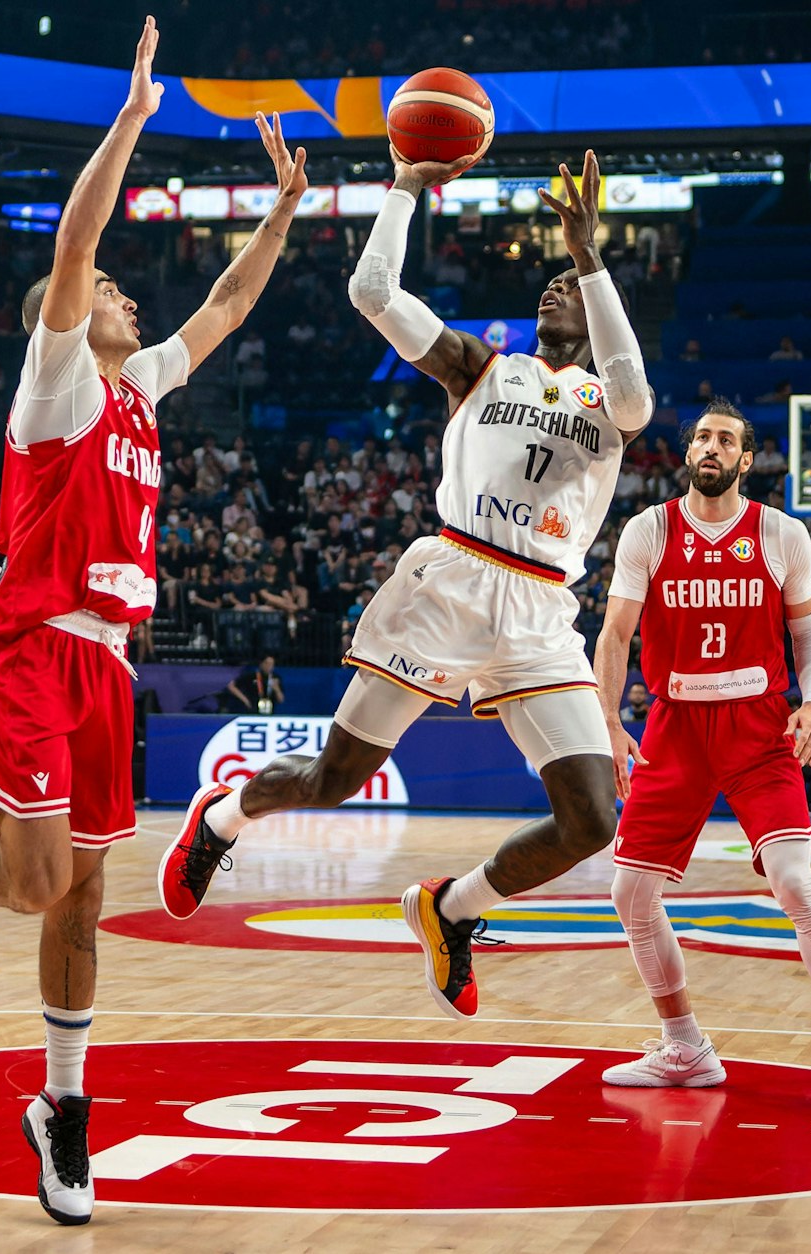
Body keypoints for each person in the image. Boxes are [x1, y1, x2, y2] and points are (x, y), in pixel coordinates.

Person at [0, 21, 306, 1226]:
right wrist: (131, 117)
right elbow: (75, 243)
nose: (130, 299)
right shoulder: (59, 384)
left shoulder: (139, 390)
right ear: (69, 315)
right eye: (112, 293)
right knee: (36, 883)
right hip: (29, 651)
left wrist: (283, 213)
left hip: (105, 667)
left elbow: (226, 306)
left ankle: (63, 1108)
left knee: (84, 901)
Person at [159, 149, 653, 1029]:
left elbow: (635, 398)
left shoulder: (609, 402)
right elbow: (373, 292)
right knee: (332, 778)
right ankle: (222, 818)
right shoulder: (483, 367)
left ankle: (451, 909)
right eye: (548, 282)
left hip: (541, 609)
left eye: (568, 286)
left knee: (592, 821)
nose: (553, 289)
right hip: (451, 581)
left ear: (598, 304)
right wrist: (406, 187)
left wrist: (589, 258)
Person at [588, 401, 811, 1113]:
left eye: (725, 439)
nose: (711, 446)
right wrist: (608, 720)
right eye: (702, 437)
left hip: (758, 723)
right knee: (629, 893)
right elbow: (614, 636)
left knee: (793, 880)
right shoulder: (648, 530)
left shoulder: (780, 533)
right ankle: (684, 1047)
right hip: (675, 723)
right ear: (688, 452)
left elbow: (809, 635)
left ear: (746, 459)